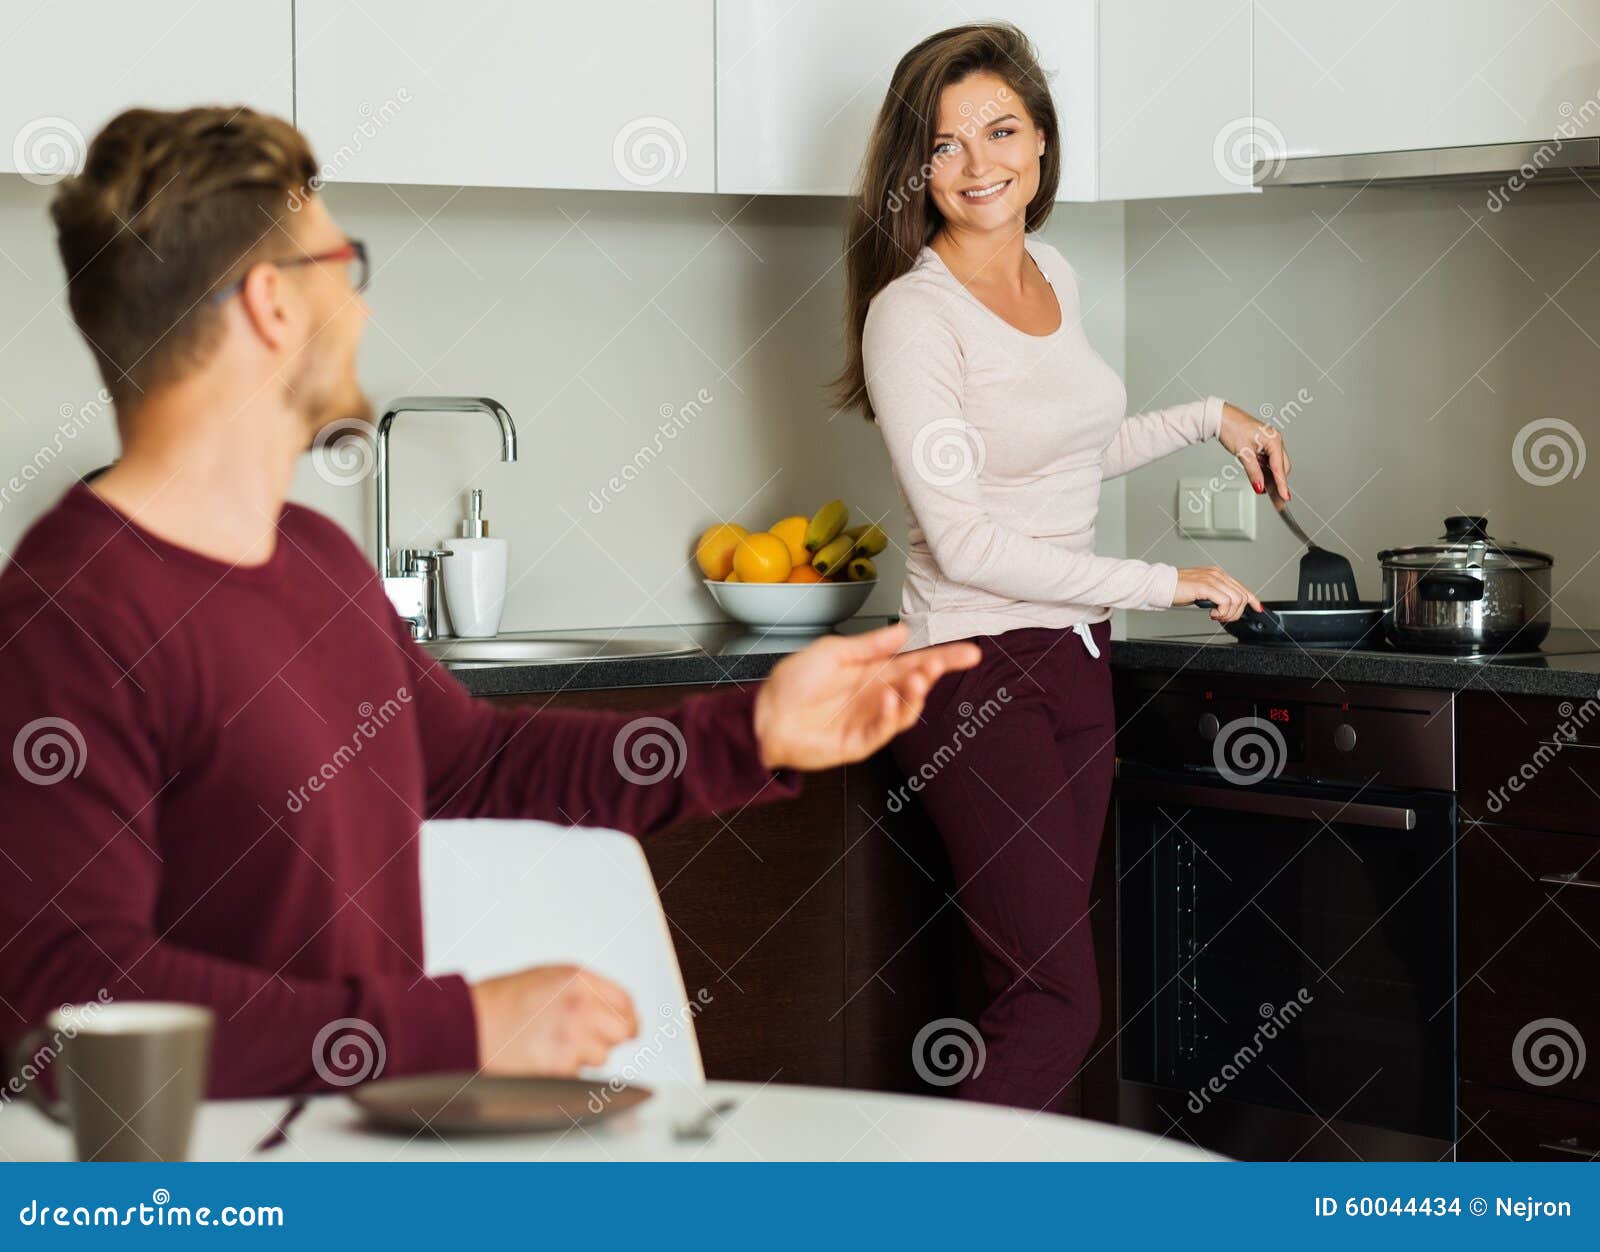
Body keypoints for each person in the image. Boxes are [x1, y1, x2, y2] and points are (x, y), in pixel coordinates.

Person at [0, 106, 981, 1097]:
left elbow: (474, 761)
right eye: (344, 264)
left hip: (359, 1154)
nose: (361, 310)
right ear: (273, 304)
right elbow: (65, 1001)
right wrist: (460, 1026)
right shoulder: (69, 617)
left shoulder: (317, 563)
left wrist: (751, 732)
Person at [835, 23, 1291, 1113]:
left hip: (1072, 663)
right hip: (970, 672)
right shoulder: (912, 315)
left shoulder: (1056, 275)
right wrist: (1165, 582)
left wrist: (1206, 416)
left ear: (1041, 140)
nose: (976, 163)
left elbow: (1065, 453)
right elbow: (966, 542)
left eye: (1000, 130)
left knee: (1029, 992)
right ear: (914, 168)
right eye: (943, 144)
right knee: (1053, 1004)